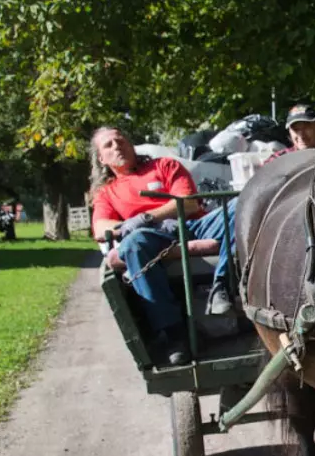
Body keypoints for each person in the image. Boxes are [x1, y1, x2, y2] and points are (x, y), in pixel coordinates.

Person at [89, 126, 236, 365]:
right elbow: (100, 229)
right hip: (152, 238)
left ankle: (222, 287)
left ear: (131, 144)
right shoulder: (107, 193)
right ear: (101, 158)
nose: (117, 146)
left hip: (192, 227)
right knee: (134, 243)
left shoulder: (164, 166)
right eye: (108, 145)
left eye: (121, 140)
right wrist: (136, 225)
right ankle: (174, 334)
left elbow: (188, 204)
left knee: (242, 205)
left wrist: (147, 217)